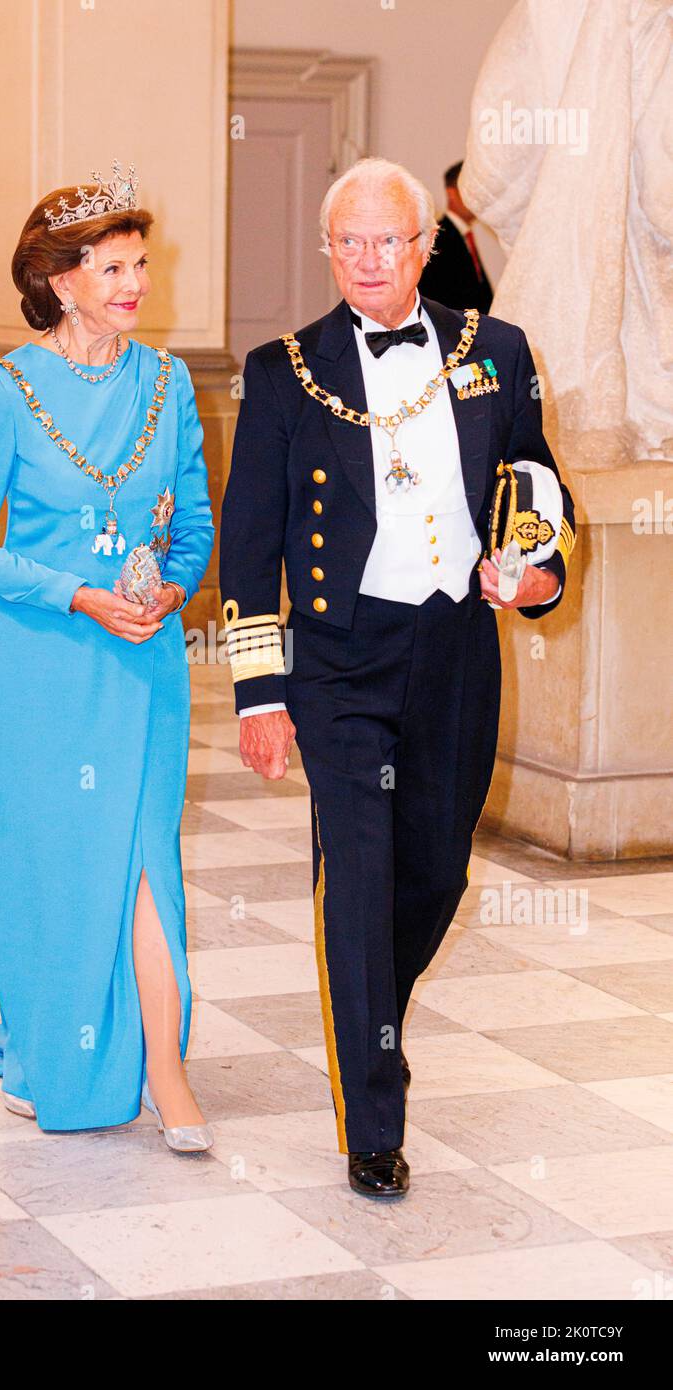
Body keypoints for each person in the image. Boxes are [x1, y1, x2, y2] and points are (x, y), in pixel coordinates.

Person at [219, 157, 576, 1198]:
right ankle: (372, 1115)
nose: (369, 259)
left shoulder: (495, 351)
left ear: (426, 246)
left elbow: (536, 480)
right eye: (349, 242)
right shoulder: (284, 368)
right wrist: (259, 691)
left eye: (390, 240)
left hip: (457, 649)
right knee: (360, 878)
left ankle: (370, 1011)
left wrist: (542, 569)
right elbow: (250, 548)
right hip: (338, 659)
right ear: (328, 251)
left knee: (436, 871)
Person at [0, 165, 215, 1151]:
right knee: (53, 865)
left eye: (141, 264)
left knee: (142, 861)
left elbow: (196, 527)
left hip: (142, 661)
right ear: (62, 281)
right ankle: (58, 1046)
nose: (136, 284)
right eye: (114, 267)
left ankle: (166, 1072)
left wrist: (172, 587)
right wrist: (73, 591)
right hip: (42, 667)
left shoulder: (170, 381)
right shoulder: (6, 390)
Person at [419, 160, 493, 313]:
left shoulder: (464, 235)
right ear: (452, 193)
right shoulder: (438, 237)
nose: (477, 198)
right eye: (470, 191)